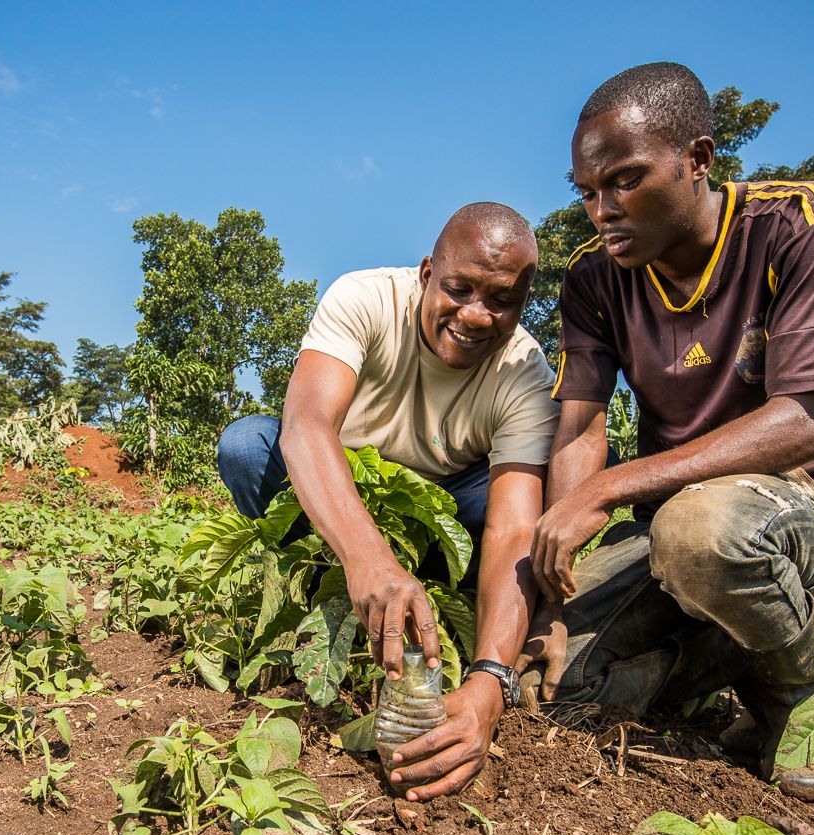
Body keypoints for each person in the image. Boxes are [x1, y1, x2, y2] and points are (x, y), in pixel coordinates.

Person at [503, 61, 814, 802]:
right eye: (586, 191)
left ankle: (801, 693)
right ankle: (737, 647)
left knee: (701, 530)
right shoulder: (593, 278)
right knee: (552, 682)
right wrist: (552, 599)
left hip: (802, 510)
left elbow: (807, 420)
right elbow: (579, 423)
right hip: (665, 525)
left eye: (624, 180)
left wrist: (610, 489)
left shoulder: (793, 221)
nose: (601, 209)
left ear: (698, 159)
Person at [217, 203, 559, 801]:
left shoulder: (524, 371)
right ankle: (336, 576)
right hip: (347, 491)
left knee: (542, 493)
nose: (476, 315)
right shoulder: (366, 299)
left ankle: (429, 592)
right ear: (427, 273)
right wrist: (367, 556)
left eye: (501, 300)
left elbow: (511, 530)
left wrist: (487, 683)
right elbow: (306, 425)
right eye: (459, 289)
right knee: (249, 446)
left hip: (447, 504)